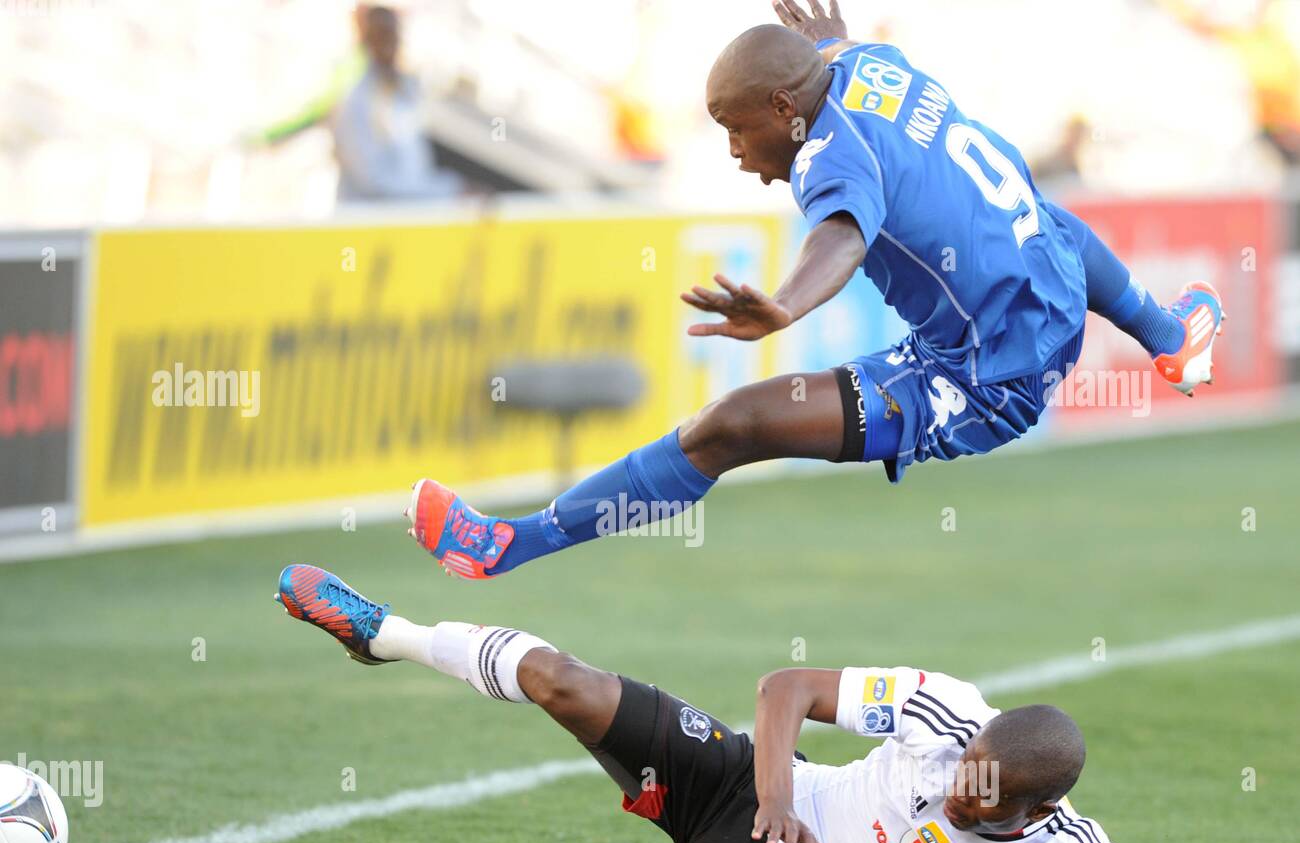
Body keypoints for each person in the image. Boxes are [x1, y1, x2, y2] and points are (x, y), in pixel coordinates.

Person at [399, 2, 1224, 581]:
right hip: (1047, 278)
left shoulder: (829, 157)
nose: (731, 149)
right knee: (1050, 218)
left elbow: (841, 235)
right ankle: (1168, 337)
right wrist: (834, 40)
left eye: (735, 126)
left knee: (731, 425)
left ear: (784, 107)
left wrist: (787, 305)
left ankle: (503, 545)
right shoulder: (867, 63)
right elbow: (837, 73)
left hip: (985, 377)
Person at [272, 562, 1246, 843]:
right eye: (955, 775)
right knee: (562, 681)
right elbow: (786, 686)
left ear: (1033, 814)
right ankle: (387, 635)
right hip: (744, 786)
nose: (952, 792)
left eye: (974, 803)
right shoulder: (945, 710)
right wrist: (775, 793)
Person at [331, 5, 460, 203]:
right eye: (380, 36)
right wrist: (449, 191)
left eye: (392, 35)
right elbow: (375, 183)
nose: (388, 44)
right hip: (371, 224)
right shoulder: (354, 100)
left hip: (408, 218)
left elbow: (415, 168)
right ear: (366, 41)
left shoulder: (408, 90)